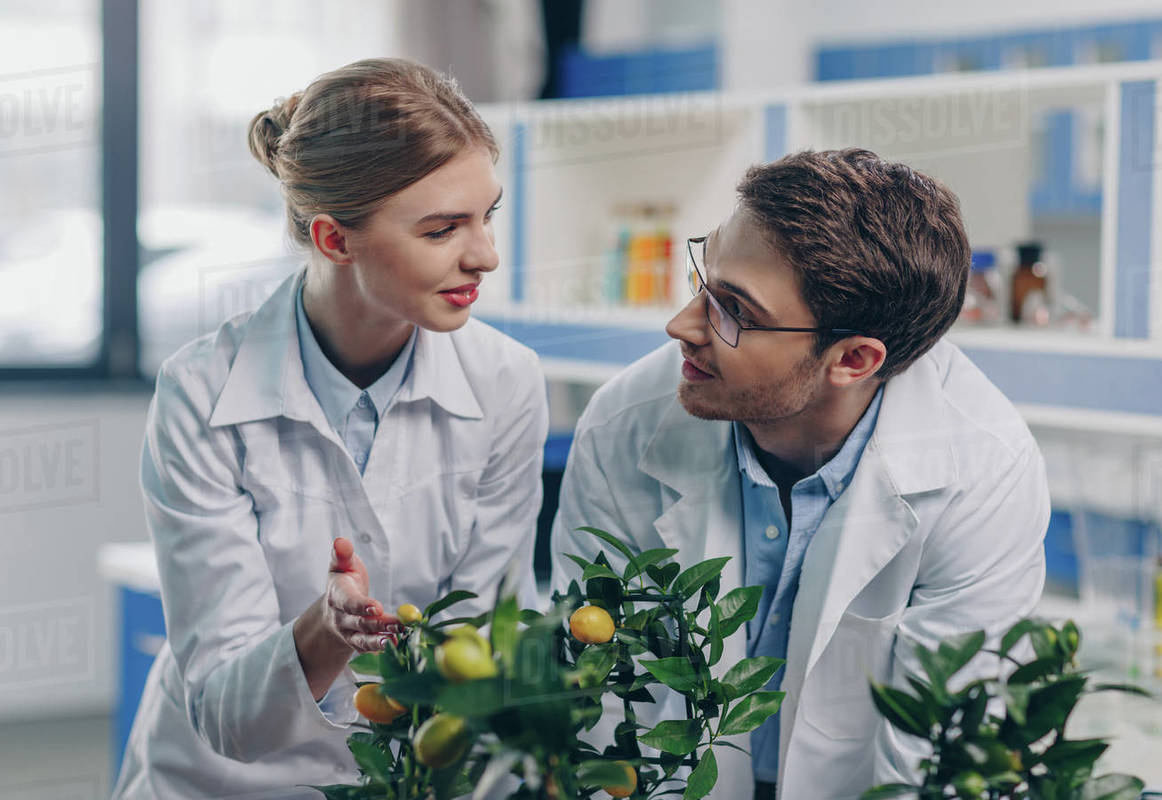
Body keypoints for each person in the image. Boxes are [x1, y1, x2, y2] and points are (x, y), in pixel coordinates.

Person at [550, 149, 1050, 800]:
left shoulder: (981, 471)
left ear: (853, 359)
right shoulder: (626, 423)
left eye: (735, 311)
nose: (681, 326)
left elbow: (937, 760)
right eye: (705, 280)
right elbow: (598, 702)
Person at [113, 58, 548, 799]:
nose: (485, 256)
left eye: (487, 215)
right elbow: (228, 715)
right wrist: (326, 630)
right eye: (442, 229)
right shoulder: (200, 395)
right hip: (221, 784)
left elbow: (481, 636)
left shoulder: (505, 381)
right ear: (334, 239)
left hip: (407, 779)